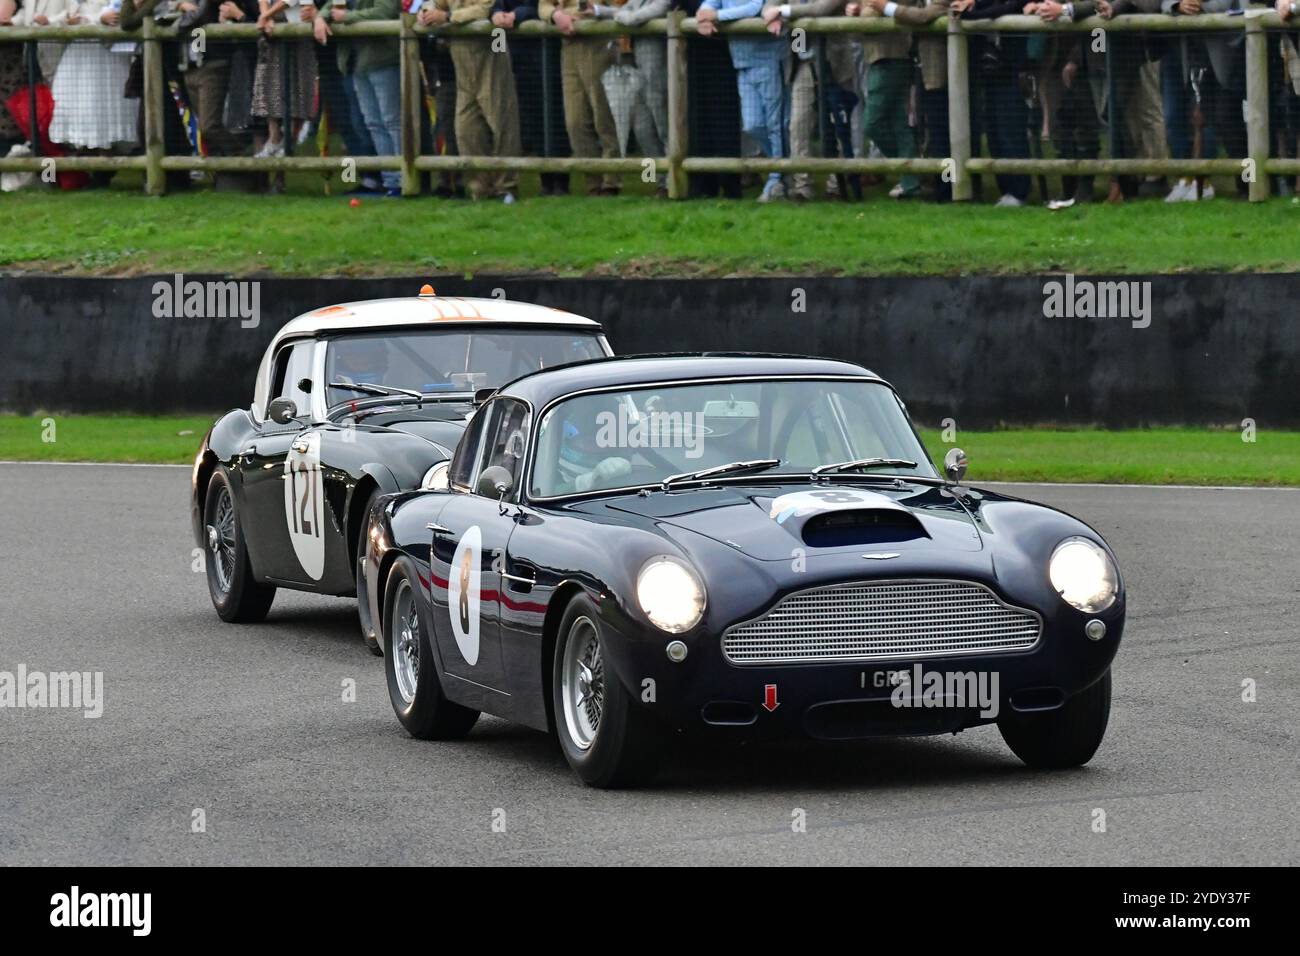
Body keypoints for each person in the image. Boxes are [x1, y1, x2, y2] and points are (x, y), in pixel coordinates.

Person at [421, 0, 521, 202]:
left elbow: (485, 8)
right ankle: (480, 188)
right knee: (466, 130)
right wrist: (426, 12)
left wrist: (448, 18)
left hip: (490, 49)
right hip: (461, 61)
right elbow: (436, 4)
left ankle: (507, 187)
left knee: (502, 123)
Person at [698, 0, 788, 202]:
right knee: (752, 125)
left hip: (769, 59)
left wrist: (717, 16)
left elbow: (755, 7)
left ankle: (777, 179)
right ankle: (781, 167)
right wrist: (703, 15)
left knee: (776, 124)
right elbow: (707, 4)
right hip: (741, 63)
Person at [762, 0, 850, 202]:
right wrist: (772, 14)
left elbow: (820, 9)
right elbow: (769, 6)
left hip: (833, 63)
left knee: (838, 125)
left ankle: (837, 184)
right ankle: (803, 185)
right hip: (802, 61)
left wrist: (782, 11)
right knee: (798, 124)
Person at [314, 0, 403, 195]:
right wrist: (321, 17)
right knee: (371, 123)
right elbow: (331, 5)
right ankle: (390, 181)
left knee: (392, 121)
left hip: (382, 58)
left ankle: (402, 179)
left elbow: (385, 11)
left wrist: (347, 18)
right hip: (354, 63)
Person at [538, 0, 623, 195]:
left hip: (599, 45)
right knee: (574, 121)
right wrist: (556, 15)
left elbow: (611, 8)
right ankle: (593, 181)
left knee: (604, 117)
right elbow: (543, 7)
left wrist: (572, 12)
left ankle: (611, 181)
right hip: (568, 48)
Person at [951, 0, 1031, 206]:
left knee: (1009, 127)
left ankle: (1018, 190)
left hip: (1013, 67)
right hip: (989, 67)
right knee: (994, 128)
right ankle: (1005, 189)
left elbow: (1008, 7)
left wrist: (972, 15)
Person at [492, 0, 571, 195]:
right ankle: (545, 179)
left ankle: (561, 180)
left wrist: (516, 14)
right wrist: (497, 13)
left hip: (546, 52)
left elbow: (542, 7)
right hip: (520, 56)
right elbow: (496, 4)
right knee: (533, 118)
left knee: (555, 118)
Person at [592, 0, 671, 195]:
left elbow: (651, 11)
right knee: (642, 129)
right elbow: (627, 9)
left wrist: (626, 19)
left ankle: (672, 182)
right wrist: (597, 10)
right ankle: (655, 180)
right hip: (636, 69)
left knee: (664, 126)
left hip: (656, 71)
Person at [844, 0, 921, 199]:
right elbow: (854, 34)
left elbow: (873, 17)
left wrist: (865, 10)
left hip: (892, 59)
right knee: (899, 124)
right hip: (876, 60)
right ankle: (911, 180)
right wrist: (853, 13)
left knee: (872, 122)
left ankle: (911, 172)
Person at [48, 0, 140, 151]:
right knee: (83, 95)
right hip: (81, 46)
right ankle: (84, 145)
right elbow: (72, 14)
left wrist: (101, 19)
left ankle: (107, 147)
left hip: (109, 48)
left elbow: (118, 14)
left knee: (105, 93)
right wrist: (72, 20)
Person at [251, 0, 320, 159]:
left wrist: (267, 15)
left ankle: (290, 141)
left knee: (299, 87)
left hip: (298, 29)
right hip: (271, 33)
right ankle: (274, 139)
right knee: (268, 85)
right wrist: (265, 16)